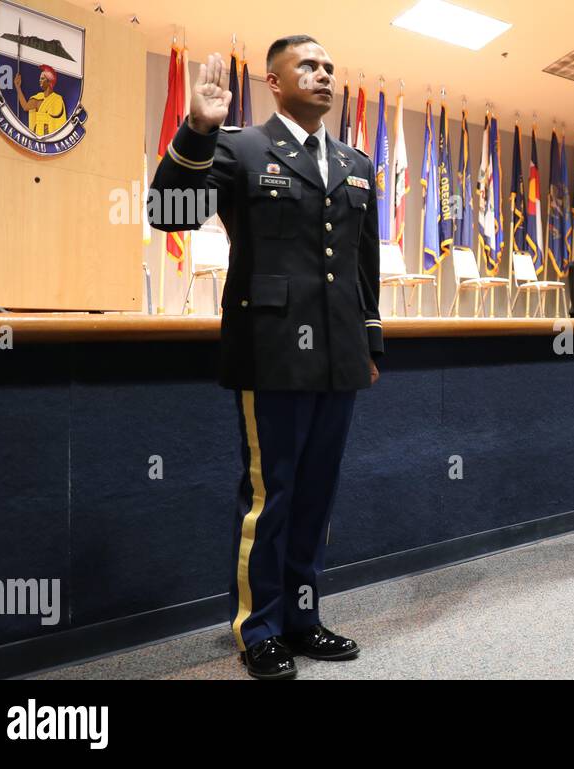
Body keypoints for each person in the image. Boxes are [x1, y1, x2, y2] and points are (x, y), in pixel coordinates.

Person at [150, 36, 384, 678]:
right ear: (274, 82)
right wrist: (199, 127)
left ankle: (304, 618)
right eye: (308, 65)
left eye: (331, 67)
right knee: (271, 494)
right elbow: (167, 213)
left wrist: (369, 342)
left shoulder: (356, 161)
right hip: (272, 351)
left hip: (338, 355)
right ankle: (259, 629)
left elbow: (365, 262)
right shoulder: (240, 145)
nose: (324, 74)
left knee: (317, 494)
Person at [13, 65, 67, 137]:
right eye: (40, 78)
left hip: (49, 135)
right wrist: (18, 87)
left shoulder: (57, 99)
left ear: (49, 81)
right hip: (37, 133)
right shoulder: (38, 97)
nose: (39, 80)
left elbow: (59, 122)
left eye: (42, 79)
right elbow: (25, 107)